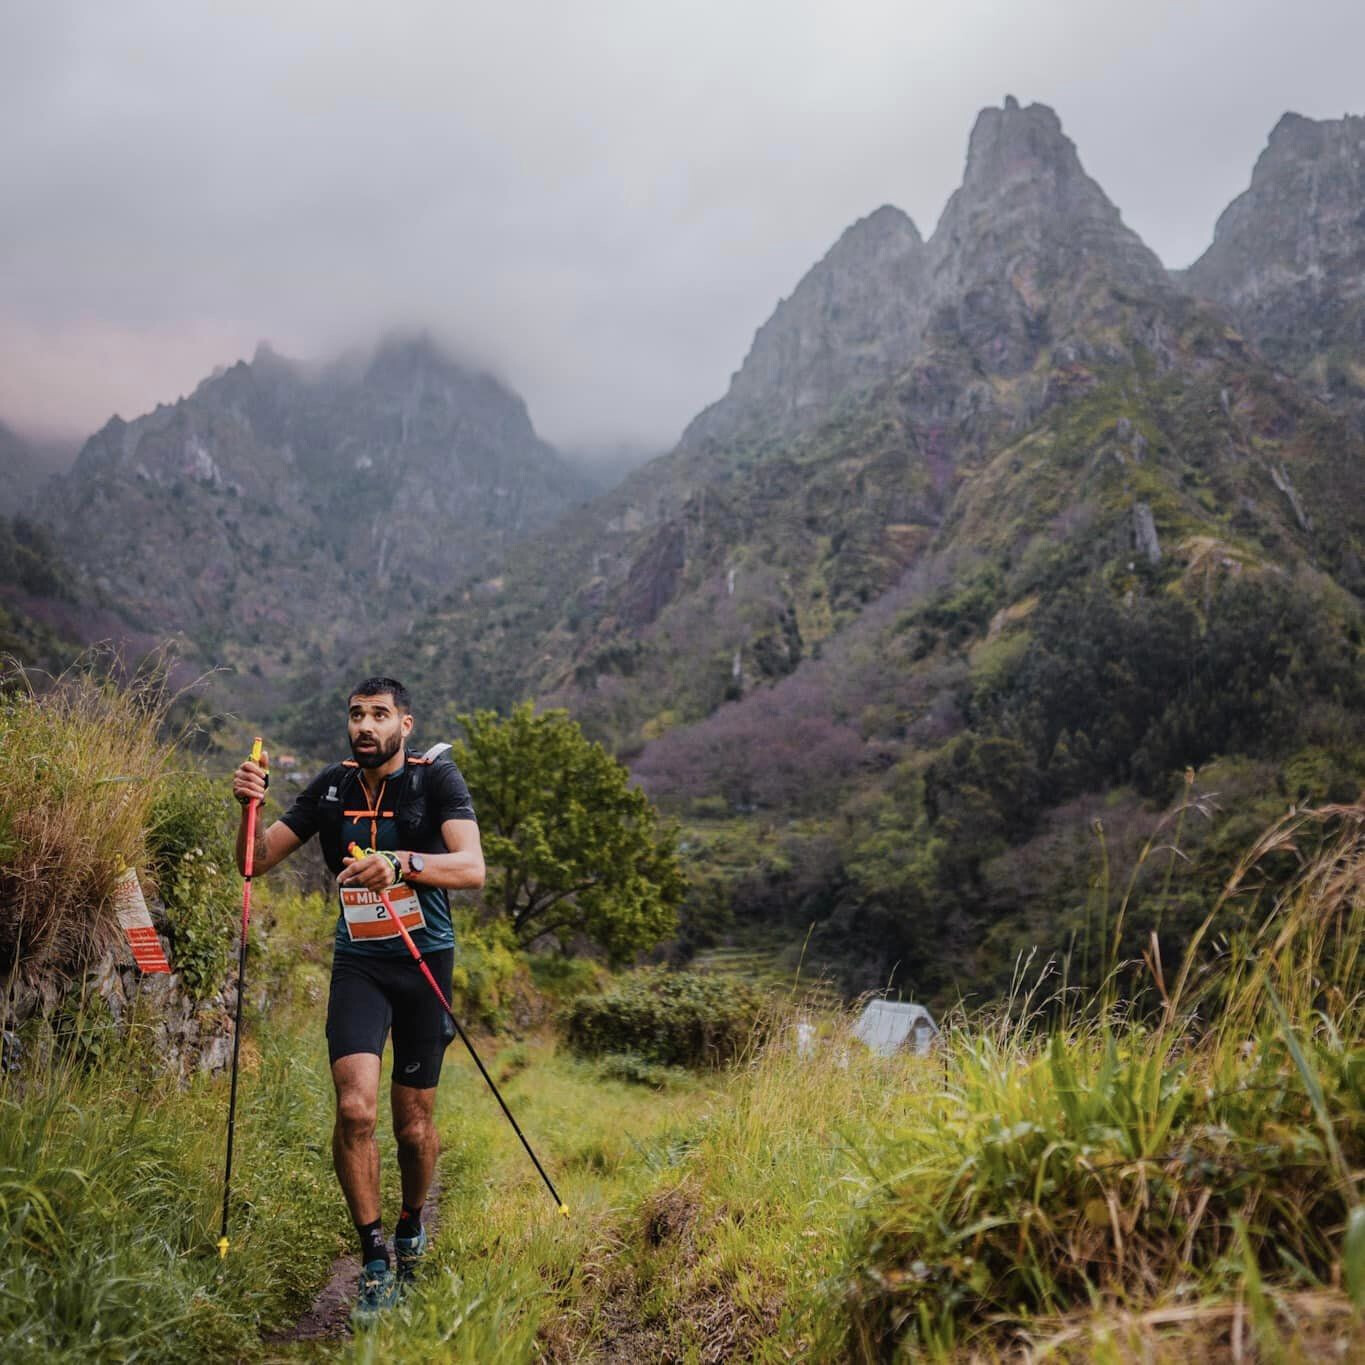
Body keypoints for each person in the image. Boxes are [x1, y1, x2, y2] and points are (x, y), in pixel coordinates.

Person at [231, 676, 485, 1322]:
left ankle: (410, 1224)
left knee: (413, 1125)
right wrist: (249, 806)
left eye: (379, 714)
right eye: (356, 715)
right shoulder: (331, 788)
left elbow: (472, 867)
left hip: (424, 959)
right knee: (353, 1110)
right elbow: (253, 862)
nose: (365, 726)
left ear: (405, 723)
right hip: (361, 963)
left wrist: (401, 863)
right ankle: (374, 1260)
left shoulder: (433, 780)